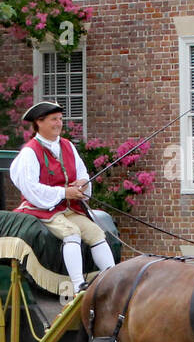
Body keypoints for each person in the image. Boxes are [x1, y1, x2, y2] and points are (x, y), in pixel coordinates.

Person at [9, 100, 115, 293]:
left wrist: (82, 183)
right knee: (71, 232)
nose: (59, 123)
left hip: (68, 208)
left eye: (60, 119)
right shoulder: (29, 152)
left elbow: (82, 172)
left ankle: (112, 279)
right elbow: (31, 188)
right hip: (41, 209)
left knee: (96, 232)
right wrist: (64, 192)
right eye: (53, 119)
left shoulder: (67, 146)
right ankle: (77, 285)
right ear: (39, 123)